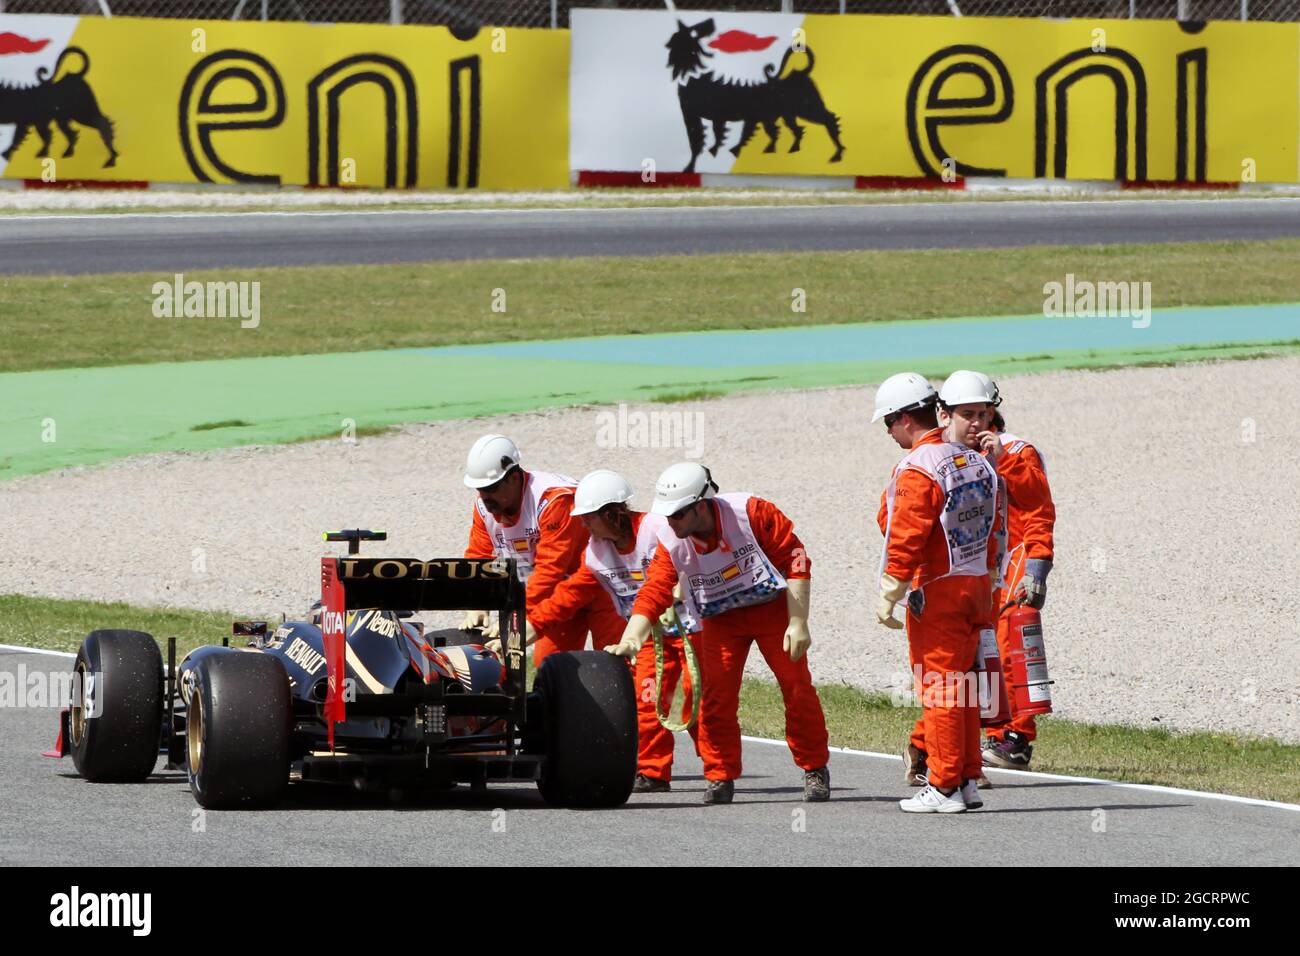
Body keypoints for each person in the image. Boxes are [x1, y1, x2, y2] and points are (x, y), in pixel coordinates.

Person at [606, 462, 831, 805]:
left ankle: (815, 767)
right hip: (720, 619)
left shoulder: (751, 512)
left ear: (701, 505)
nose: (671, 522)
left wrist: (798, 621)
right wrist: (631, 638)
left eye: (678, 515)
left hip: (771, 609)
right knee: (714, 698)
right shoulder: (672, 539)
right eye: (667, 515)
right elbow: (655, 589)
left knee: (796, 687)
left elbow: (796, 558)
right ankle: (719, 774)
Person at [494, 469, 702, 793]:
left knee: (697, 704)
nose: (583, 525)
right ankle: (652, 772)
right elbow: (571, 594)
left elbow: (688, 565)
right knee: (646, 700)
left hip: (692, 631)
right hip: (648, 635)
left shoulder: (658, 528)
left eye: (589, 518)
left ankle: (720, 773)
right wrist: (530, 628)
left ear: (611, 513)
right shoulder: (595, 551)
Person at [874, 372, 999, 813]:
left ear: (903, 419)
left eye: (888, 424)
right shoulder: (975, 459)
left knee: (940, 689)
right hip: (977, 583)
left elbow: (903, 531)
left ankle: (944, 785)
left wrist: (890, 588)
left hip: (938, 589)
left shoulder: (918, 467)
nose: (889, 434)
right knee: (963, 686)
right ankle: (966, 777)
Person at [459, 434, 623, 665]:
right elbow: (478, 557)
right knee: (549, 671)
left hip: (603, 587)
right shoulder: (484, 508)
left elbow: (550, 567)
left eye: (491, 487)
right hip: (558, 593)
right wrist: (477, 605)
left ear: (514, 477)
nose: (485, 496)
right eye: (480, 488)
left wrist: (518, 616)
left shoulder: (554, 500)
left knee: (615, 665)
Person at [975, 375, 1056, 771]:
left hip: (1015, 560)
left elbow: (1040, 512)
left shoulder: (1019, 451)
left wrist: (1037, 569)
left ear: (992, 414)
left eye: (978, 415)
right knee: (982, 649)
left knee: (1012, 647)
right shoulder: (949, 454)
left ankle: (1018, 739)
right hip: (976, 564)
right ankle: (993, 731)